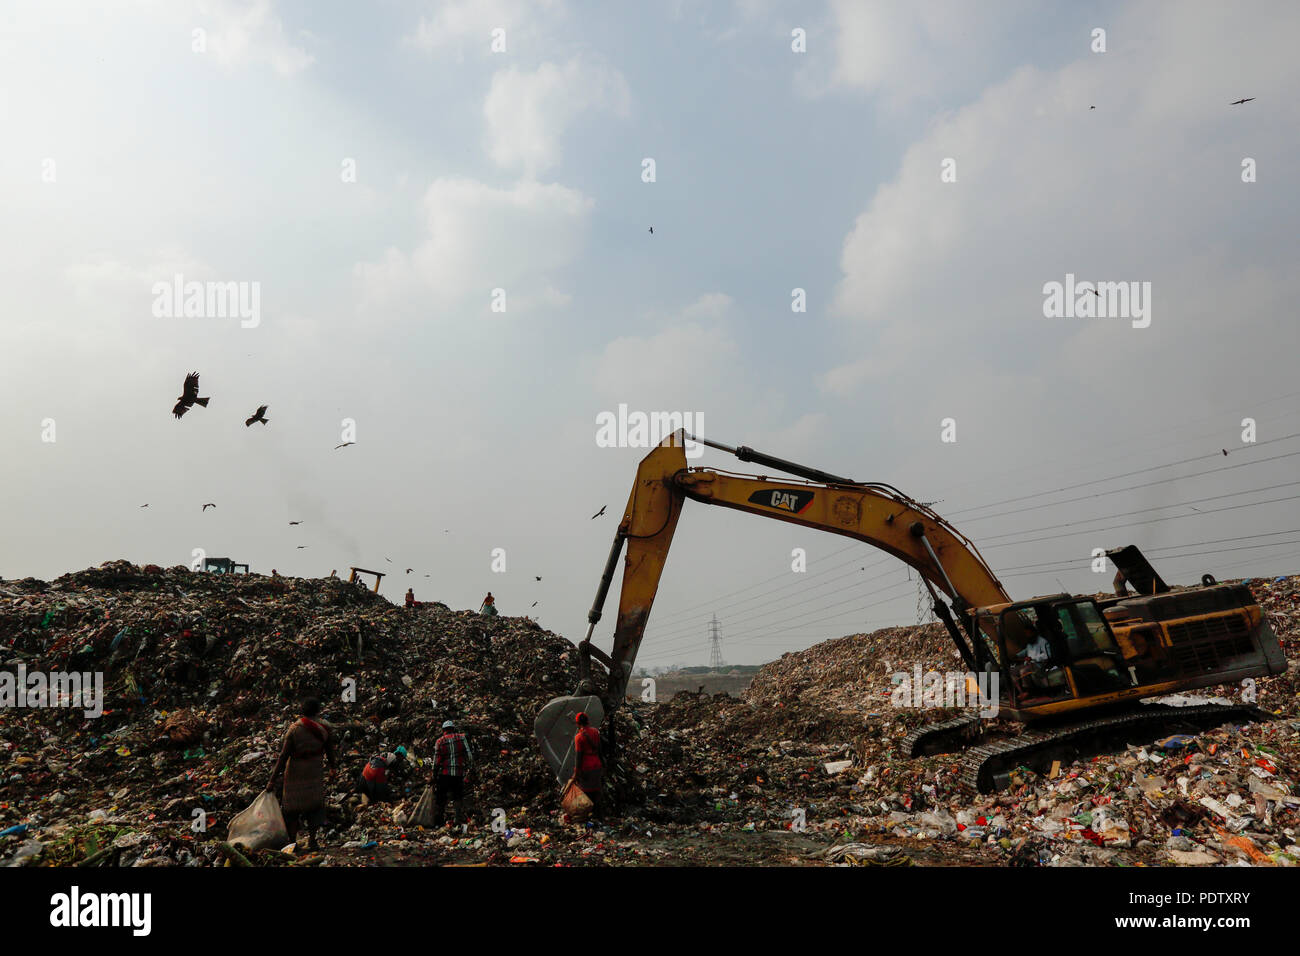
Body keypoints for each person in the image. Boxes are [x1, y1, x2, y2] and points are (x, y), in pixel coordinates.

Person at [266, 697, 336, 850]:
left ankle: (293, 842)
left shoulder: (295, 729)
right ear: (318, 711)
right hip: (314, 771)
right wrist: (333, 768)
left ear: (302, 711)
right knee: (314, 806)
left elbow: (284, 755)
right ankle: (312, 840)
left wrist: (272, 780)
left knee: (291, 809)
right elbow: (330, 751)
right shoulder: (325, 728)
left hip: (295, 773)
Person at [431, 720, 473, 827]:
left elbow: (436, 761)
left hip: (444, 774)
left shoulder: (440, 741)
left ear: (444, 730)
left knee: (441, 798)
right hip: (458, 774)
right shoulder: (462, 738)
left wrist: (434, 775)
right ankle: (457, 820)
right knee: (457, 797)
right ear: (453, 729)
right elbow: (469, 755)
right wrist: (469, 770)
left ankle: (439, 821)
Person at [571, 711, 604, 817]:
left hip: (586, 768)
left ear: (577, 723)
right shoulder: (595, 732)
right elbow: (599, 749)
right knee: (596, 791)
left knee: (586, 793)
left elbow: (578, 756)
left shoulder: (579, 737)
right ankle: (598, 815)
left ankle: (588, 815)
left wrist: (576, 772)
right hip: (597, 765)